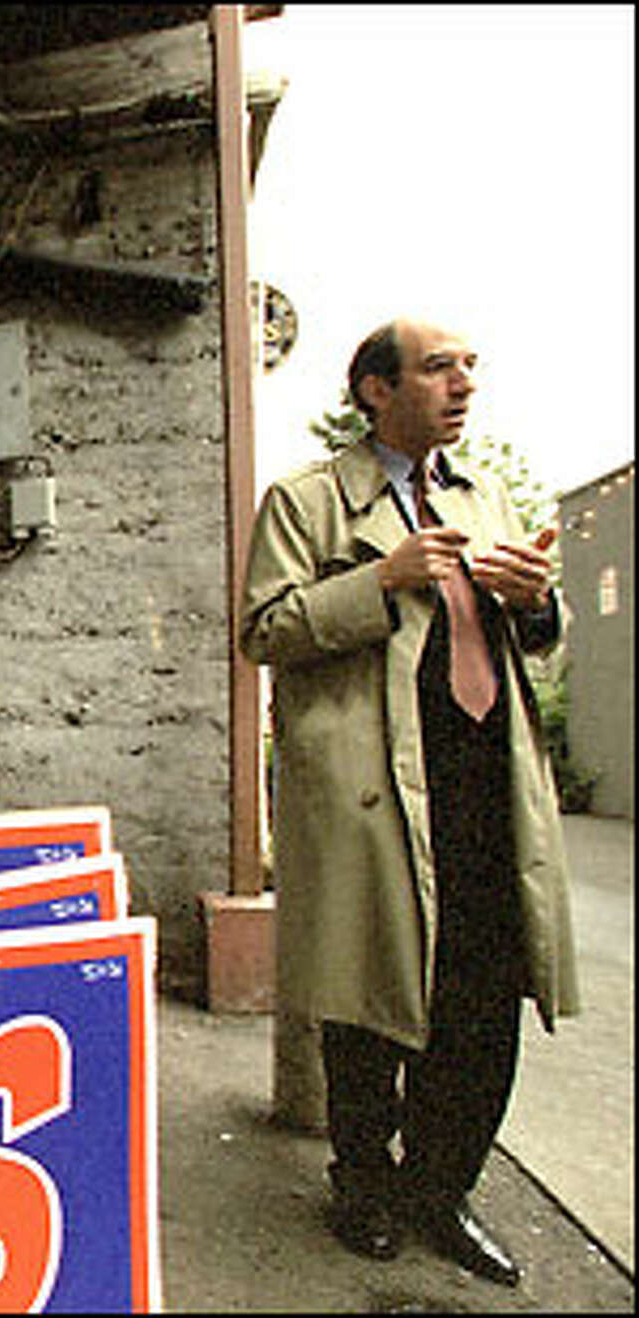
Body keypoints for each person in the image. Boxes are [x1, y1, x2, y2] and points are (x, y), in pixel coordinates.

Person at [240, 318, 579, 1287]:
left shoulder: (489, 499)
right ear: (376, 391)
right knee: (371, 1003)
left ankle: (442, 1189)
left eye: (470, 368)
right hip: (376, 793)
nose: (463, 383)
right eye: (439, 368)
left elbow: (532, 641)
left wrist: (536, 603)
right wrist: (378, 580)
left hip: (482, 791)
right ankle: (363, 1183)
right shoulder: (308, 503)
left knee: (484, 1005)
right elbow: (264, 630)